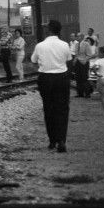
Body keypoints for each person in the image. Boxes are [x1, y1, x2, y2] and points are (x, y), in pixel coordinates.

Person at [30, 19, 73, 152]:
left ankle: (52, 140)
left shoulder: (40, 45)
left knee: (48, 109)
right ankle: (61, 140)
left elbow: (33, 61)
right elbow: (69, 60)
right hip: (61, 77)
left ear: (48, 30)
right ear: (59, 30)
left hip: (45, 78)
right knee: (62, 109)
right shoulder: (65, 45)